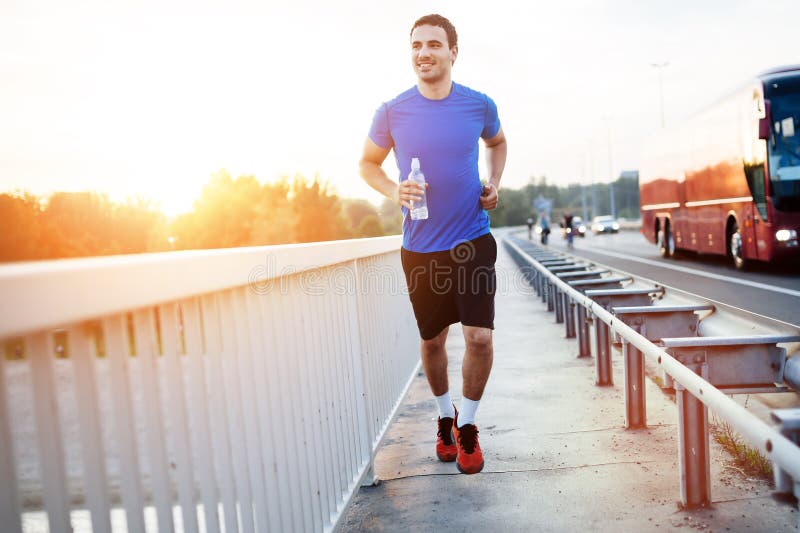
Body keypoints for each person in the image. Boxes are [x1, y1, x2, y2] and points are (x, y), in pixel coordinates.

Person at [358, 14, 507, 475]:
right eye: (416, 45)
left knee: (479, 338)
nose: (423, 53)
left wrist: (495, 182)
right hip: (421, 248)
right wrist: (393, 190)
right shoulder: (391, 110)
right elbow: (367, 164)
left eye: (433, 45)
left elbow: (497, 143)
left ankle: (469, 427)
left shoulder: (478, 104)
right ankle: (446, 418)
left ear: (453, 52)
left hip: (473, 239)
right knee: (433, 340)